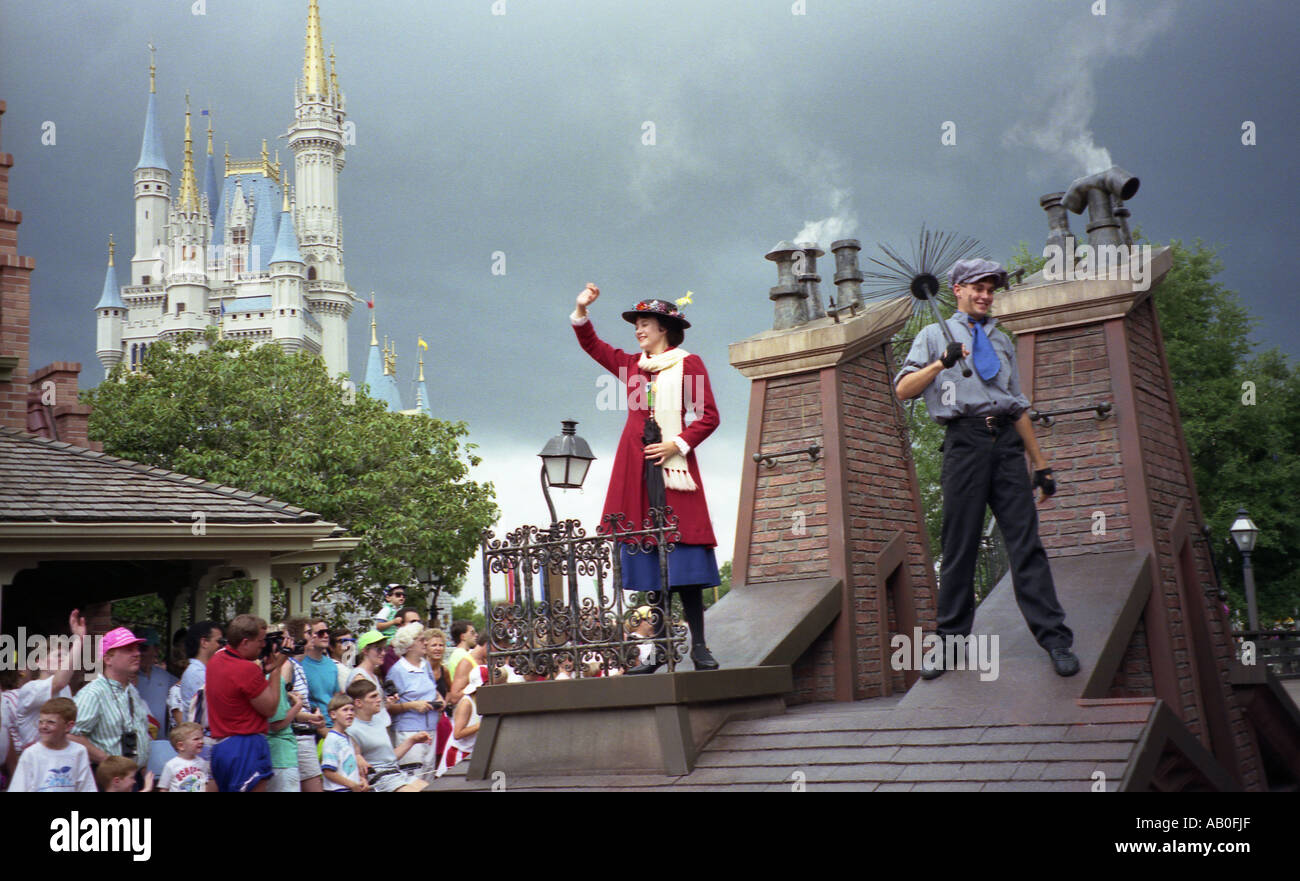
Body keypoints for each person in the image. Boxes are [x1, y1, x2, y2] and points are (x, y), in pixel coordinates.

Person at [895, 258, 1079, 678]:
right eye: (977, 287)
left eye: (991, 289)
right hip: (965, 442)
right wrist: (940, 363)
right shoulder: (931, 335)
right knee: (959, 546)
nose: (985, 295)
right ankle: (949, 646)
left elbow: (1017, 404)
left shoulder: (1002, 339)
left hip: (1007, 446)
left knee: (1026, 545)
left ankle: (1056, 641)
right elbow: (904, 389)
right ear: (956, 289)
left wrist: (1041, 465)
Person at [571, 283, 723, 672]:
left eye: (645, 323)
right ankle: (658, 652)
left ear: (665, 328)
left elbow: (708, 416)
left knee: (684, 556)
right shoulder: (631, 366)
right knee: (650, 563)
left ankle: (700, 647)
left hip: (673, 471)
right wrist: (581, 310)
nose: (638, 330)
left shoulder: (689, 364)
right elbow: (593, 346)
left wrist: (677, 444)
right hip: (635, 469)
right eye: (636, 324)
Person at [204, 614, 289, 792]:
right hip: (246, 745)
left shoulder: (215, 660)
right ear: (244, 642)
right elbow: (271, 709)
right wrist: (275, 669)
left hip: (221, 747)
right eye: (260, 641)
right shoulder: (246, 669)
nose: (264, 645)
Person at [70, 626, 152, 769]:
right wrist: (107, 761)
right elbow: (71, 735)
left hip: (132, 778)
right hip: (107, 779)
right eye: (128, 650)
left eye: (137, 649)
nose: (137, 654)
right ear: (108, 659)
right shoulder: (93, 693)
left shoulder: (132, 691)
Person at [8, 610, 82, 765]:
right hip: (35, 763)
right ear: (39, 661)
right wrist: (79, 640)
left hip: (61, 760)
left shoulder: (65, 688)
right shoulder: (31, 689)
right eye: (58, 656)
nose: (64, 660)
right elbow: (58, 682)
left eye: (66, 656)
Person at [345, 679, 429, 792]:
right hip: (378, 780)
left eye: (378, 695)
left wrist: (412, 740)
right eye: (373, 696)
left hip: (397, 774)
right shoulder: (352, 729)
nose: (379, 699)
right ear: (359, 703)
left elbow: (389, 758)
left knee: (432, 788)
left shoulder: (378, 720)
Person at [385, 622, 444, 773]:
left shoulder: (425, 665)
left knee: (428, 774)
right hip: (409, 731)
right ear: (409, 645)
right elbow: (388, 707)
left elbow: (432, 689)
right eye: (420, 639)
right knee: (413, 775)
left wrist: (440, 699)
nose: (425, 642)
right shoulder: (396, 671)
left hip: (431, 728)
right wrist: (413, 705)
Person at [7, 697, 96, 792]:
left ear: (68, 726)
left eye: (51, 722)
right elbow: (18, 787)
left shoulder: (78, 752)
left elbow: (87, 787)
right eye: (41, 722)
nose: (44, 726)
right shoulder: (31, 754)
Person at [346, 631, 399, 730]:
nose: (383, 653)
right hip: (368, 730)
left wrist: (387, 704)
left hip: (379, 727)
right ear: (365, 651)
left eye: (384, 649)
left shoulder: (373, 675)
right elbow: (361, 711)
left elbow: (374, 708)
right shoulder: (359, 676)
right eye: (379, 649)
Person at [132, 629, 177, 739]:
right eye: (135, 649)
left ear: (156, 650)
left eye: (143, 649)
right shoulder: (127, 677)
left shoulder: (166, 677)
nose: (139, 653)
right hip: (134, 741)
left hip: (162, 743)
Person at [320, 694, 367, 792]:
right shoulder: (332, 739)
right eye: (345, 710)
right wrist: (352, 784)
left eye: (352, 710)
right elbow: (328, 772)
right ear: (333, 714)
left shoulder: (347, 737)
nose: (350, 713)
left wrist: (360, 780)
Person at [435, 679, 481, 777]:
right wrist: (481, 725)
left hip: (472, 753)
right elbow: (458, 734)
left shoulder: (481, 700)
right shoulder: (467, 703)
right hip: (459, 754)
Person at [158, 721, 215, 792]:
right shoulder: (171, 765)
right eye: (196, 739)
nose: (201, 741)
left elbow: (205, 785)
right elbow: (164, 788)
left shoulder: (202, 763)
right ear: (181, 746)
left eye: (201, 738)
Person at [380, 608, 421, 679]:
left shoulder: (421, 650)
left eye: (419, 622)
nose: (417, 625)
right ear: (399, 625)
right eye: (413, 622)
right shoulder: (390, 653)